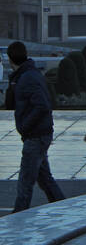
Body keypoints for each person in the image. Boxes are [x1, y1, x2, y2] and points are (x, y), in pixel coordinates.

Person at [7, 41, 66, 213]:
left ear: (10, 59)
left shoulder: (27, 78)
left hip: (35, 135)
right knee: (44, 178)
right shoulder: (28, 75)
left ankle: (18, 217)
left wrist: (25, 127)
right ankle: (63, 208)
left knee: (25, 181)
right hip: (39, 134)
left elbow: (42, 106)